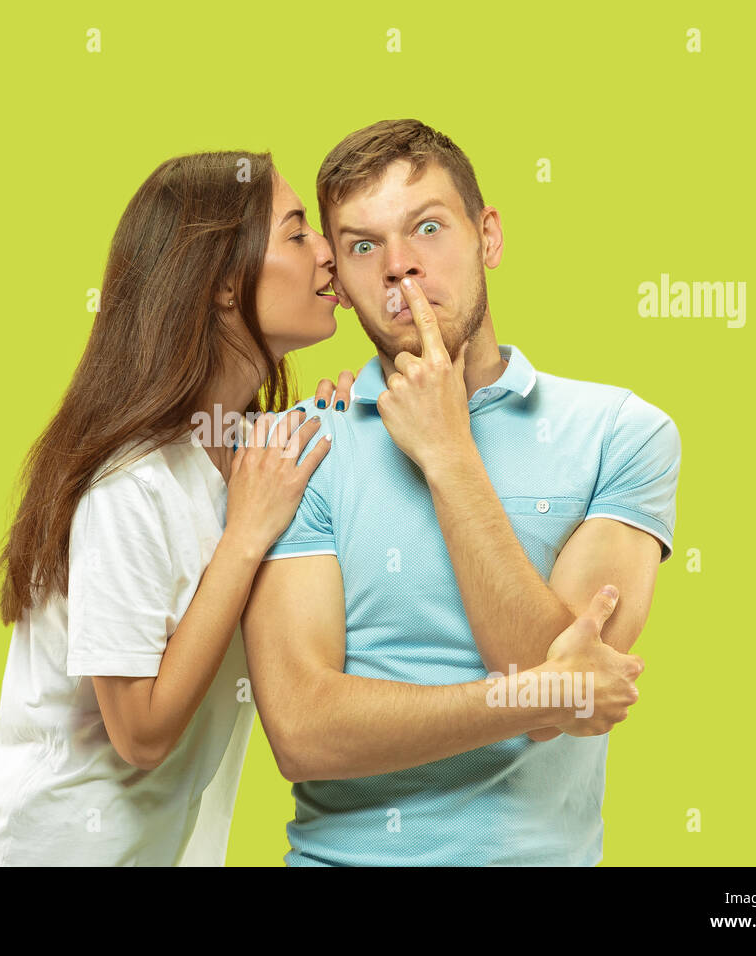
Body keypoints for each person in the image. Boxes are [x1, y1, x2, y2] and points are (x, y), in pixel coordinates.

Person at [241, 119, 678, 866]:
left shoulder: (623, 432)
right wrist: (533, 694)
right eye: (364, 246)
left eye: (429, 228)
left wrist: (448, 455)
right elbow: (303, 732)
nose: (401, 269)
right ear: (341, 283)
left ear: (489, 238)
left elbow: (562, 697)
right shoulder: (296, 447)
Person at [0, 150, 358, 866]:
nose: (329, 255)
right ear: (226, 285)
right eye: (297, 234)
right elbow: (141, 733)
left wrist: (342, 435)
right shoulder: (129, 487)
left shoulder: (246, 452)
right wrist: (247, 534)